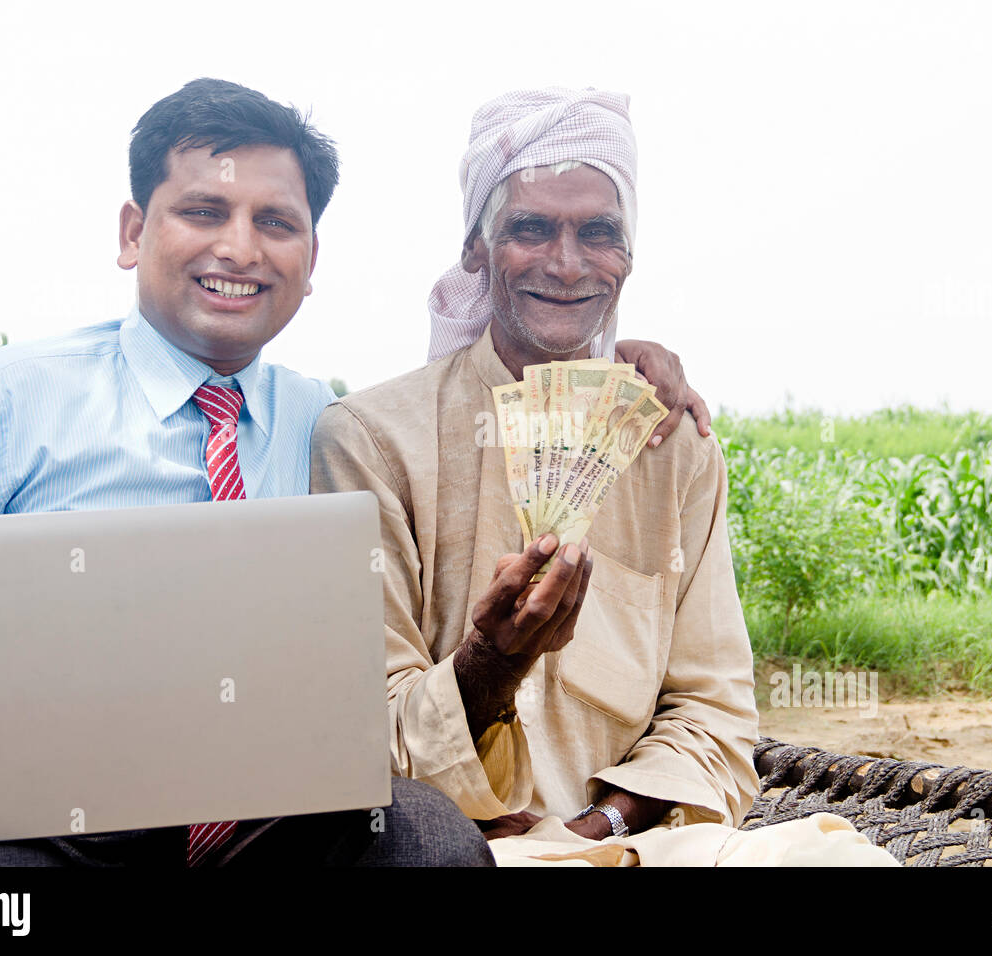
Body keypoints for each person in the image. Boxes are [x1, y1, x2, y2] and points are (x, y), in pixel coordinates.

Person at [0, 79, 707, 867]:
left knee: (427, 837)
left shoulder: (325, 422)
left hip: (259, 818)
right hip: (51, 818)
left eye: (276, 221)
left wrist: (623, 359)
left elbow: (462, 413)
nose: (239, 247)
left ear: (311, 260)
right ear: (133, 232)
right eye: (204, 211)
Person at [307, 88, 767, 865]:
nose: (566, 262)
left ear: (628, 255)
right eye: (530, 228)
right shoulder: (372, 439)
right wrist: (491, 666)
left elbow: (715, 712)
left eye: (598, 233)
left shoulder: (672, 444)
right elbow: (367, 732)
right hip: (461, 847)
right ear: (476, 249)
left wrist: (595, 831)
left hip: (640, 843)